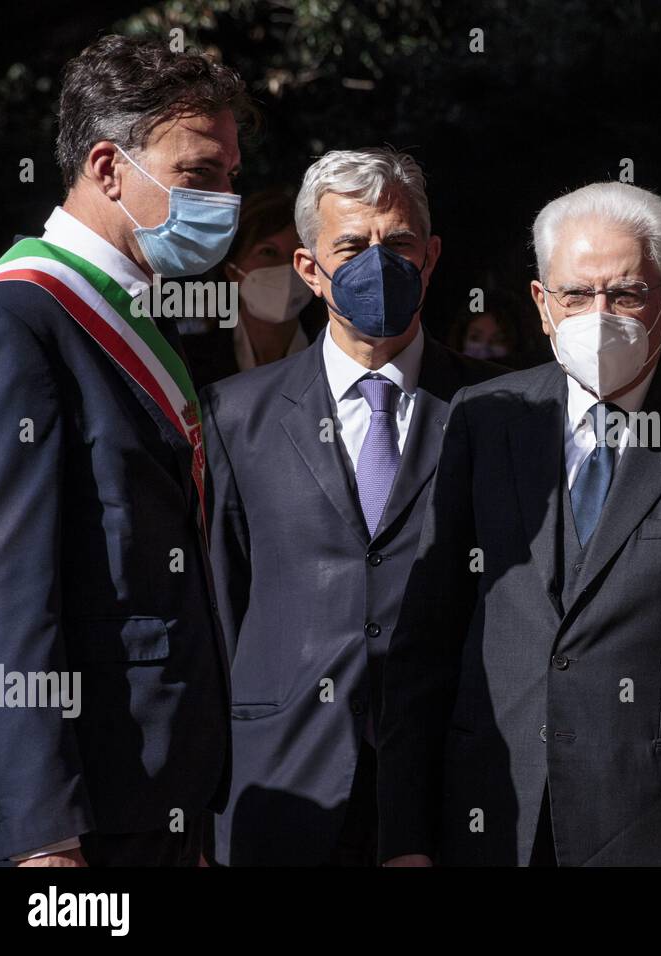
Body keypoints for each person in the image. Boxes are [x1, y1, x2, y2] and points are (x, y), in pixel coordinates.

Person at [377, 181, 661, 866]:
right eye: (576, 295)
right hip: (497, 814)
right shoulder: (486, 415)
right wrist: (405, 837)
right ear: (542, 304)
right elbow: (427, 640)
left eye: (625, 295)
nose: (600, 313)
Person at [0, 34, 246, 866]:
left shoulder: (134, 310)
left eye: (231, 175)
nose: (225, 201)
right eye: (199, 174)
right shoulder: (19, 319)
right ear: (106, 167)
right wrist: (40, 836)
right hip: (84, 814)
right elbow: (5, 594)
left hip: (161, 796)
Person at [200, 148, 502, 866]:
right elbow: (217, 607)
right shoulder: (235, 414)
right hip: (280, 789)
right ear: (310, 269)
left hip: (448, 796)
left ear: (429, 257)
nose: (378, 263)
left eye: (397, 244)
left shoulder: (500, 410)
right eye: (351, 246)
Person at [182, 187, 319, 388]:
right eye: (268, 252)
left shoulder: (334, 356)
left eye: (298, 255)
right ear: (233, 271)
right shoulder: (189, 360)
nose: (286, 268)